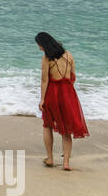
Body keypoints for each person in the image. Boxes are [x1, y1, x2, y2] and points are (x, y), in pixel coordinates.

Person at [35, 31, 88, 170]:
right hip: (68, 94)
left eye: (39, 45)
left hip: (52, 93)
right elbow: (73, 76)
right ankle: (66, 163)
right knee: (66, 130)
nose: (39, 48)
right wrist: (67, 92)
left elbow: (45, 80)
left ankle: (50, 158)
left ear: (44, 45)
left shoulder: (47, 58)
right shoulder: (69, 55)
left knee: (47, 125)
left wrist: (42, 99)